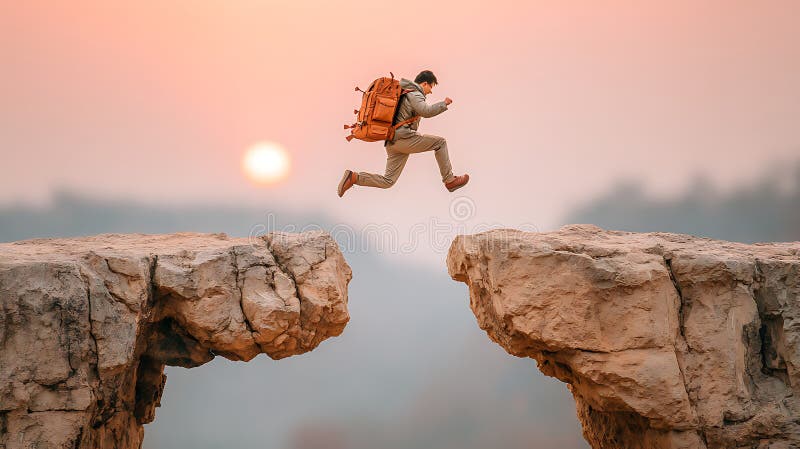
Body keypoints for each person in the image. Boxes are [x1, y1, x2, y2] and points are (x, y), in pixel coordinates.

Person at [337, 70, 469, 197]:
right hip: (403, 138)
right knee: (440, 143)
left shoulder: (404, 93)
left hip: (392, 141)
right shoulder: (415, 93)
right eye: (431, 87)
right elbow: (426, 111)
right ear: (424, 84)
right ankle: (449, 180)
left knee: (388, 181)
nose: (431, 91)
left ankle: (353, 177)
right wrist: (444, 104)